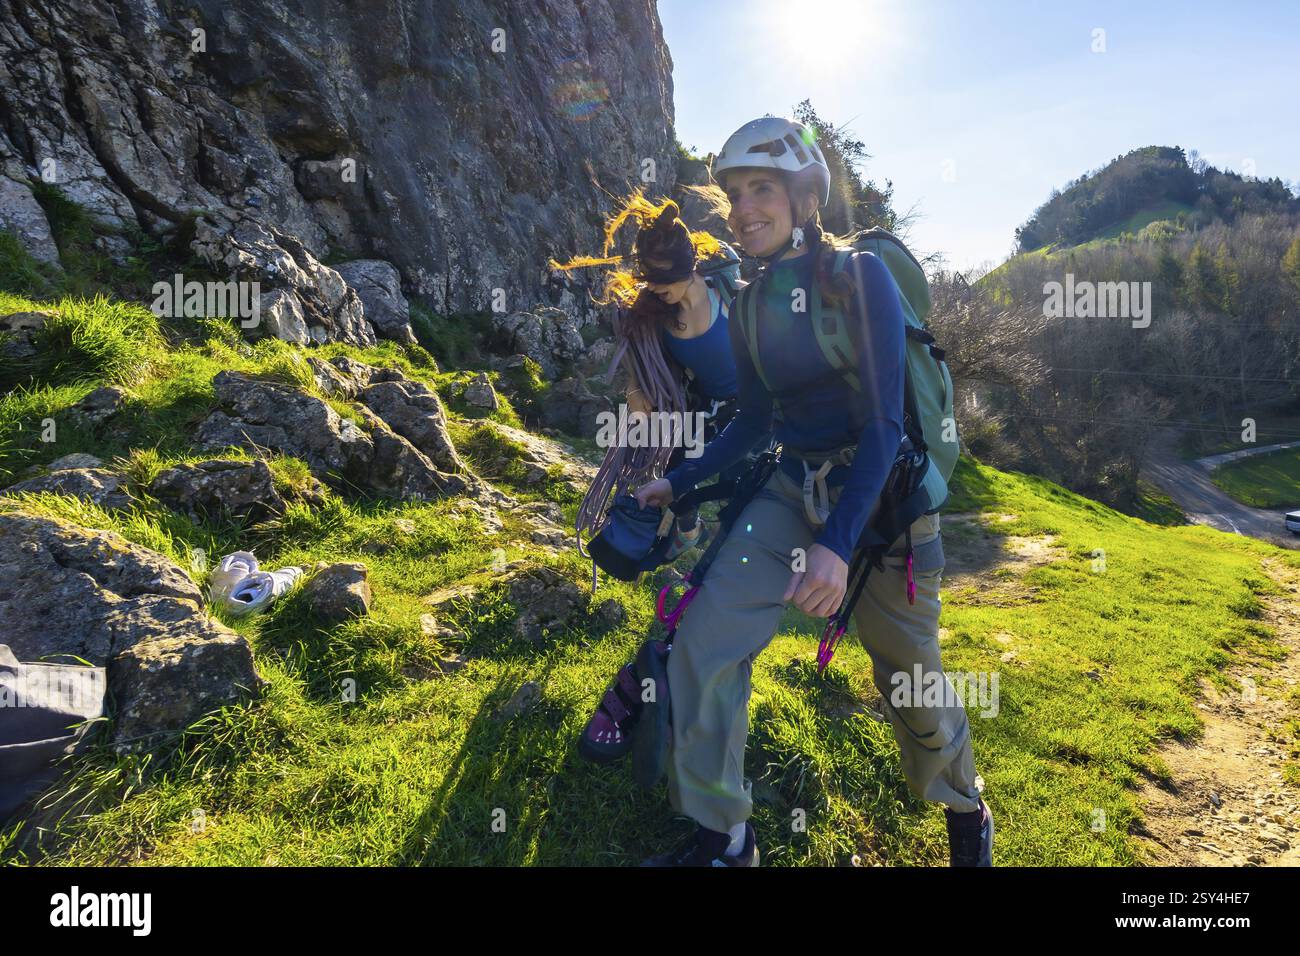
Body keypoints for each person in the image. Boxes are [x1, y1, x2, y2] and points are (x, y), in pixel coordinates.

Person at [632, 117, 993, 867]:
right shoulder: (754, 301)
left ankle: (965, 808)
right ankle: (726, 835)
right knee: (705, 640)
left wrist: (836, 544)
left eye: (761, 189)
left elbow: (887, 424)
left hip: (885, 501)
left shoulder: (858, 276)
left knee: (908, 678)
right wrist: (681, 478)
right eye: (734, 195)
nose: (743, 209)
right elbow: (755, 420)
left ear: (803, 197)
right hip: (796, 486)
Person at [551, 193, 768, 762]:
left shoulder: (731, 296)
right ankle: (680, 533)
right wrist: (638, 402)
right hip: (698, 420)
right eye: (651, 286)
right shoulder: (654, 313)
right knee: (677, 490)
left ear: (692, 273)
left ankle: (716, 557)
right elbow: (644, 367)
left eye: (667, 286)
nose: (658, 295)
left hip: (750, 419)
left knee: (734, 506)